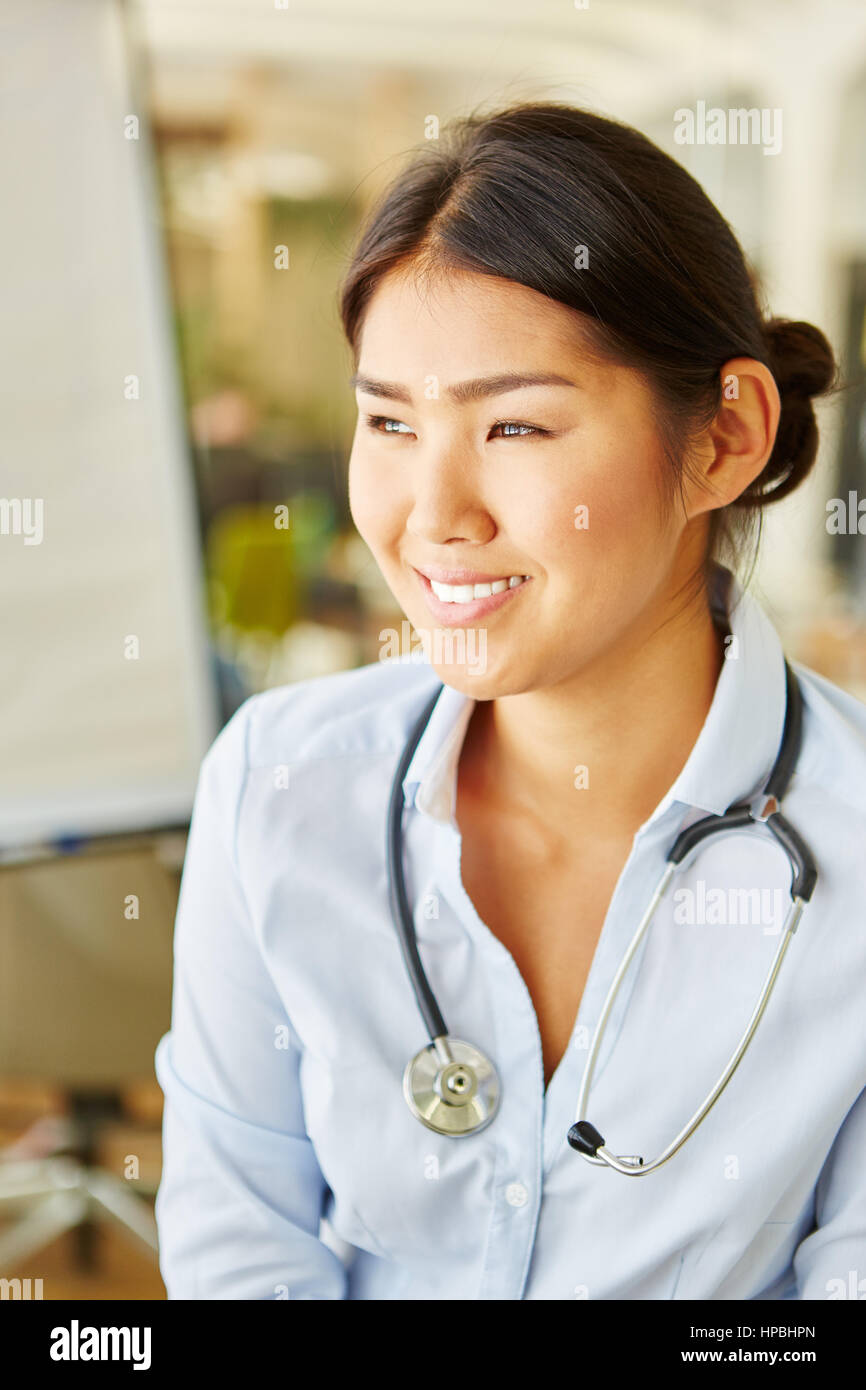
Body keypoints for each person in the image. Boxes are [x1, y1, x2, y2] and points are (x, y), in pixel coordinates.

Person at [154, 101, 866, 1300]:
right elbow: (238, 1245)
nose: (433, 514)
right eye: (387, 420)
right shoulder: (279, 780)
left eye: (515, 424)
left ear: (724, 436)